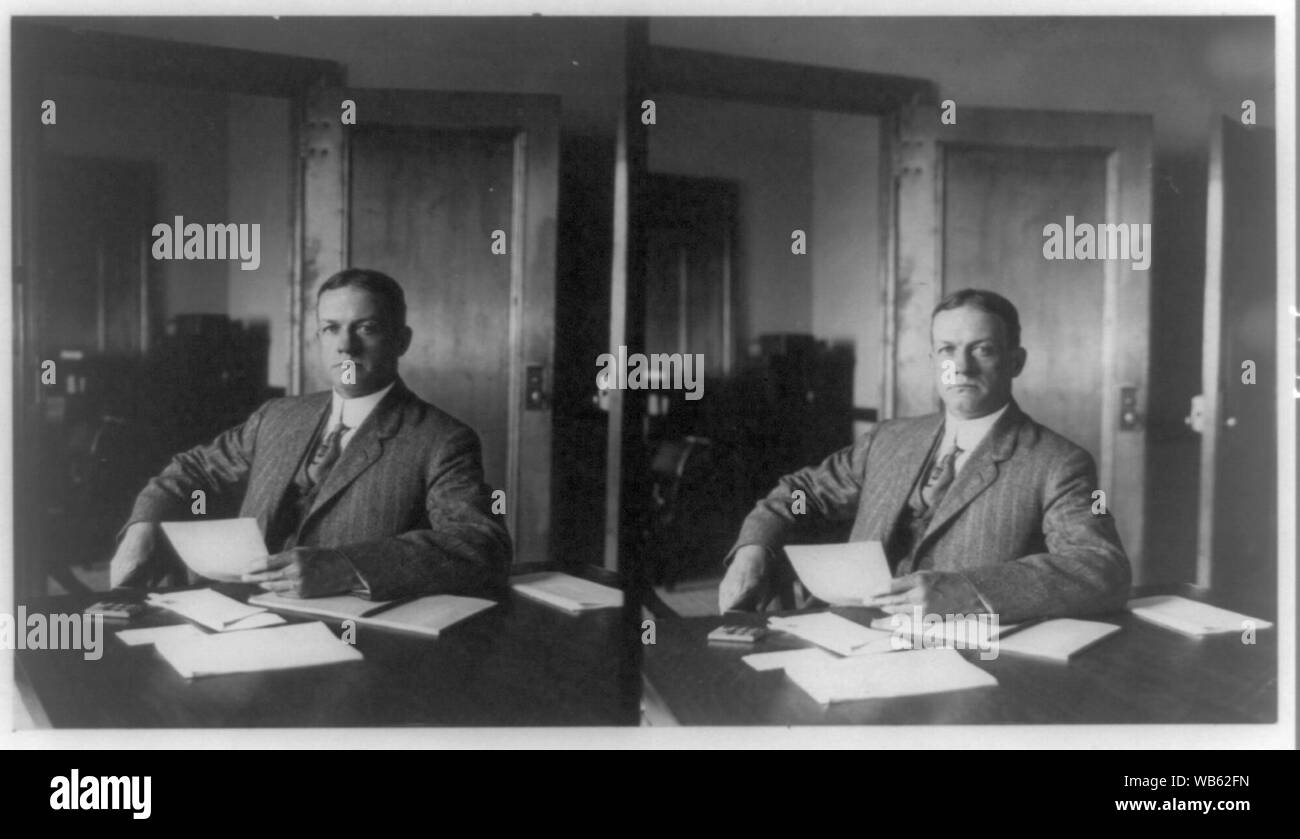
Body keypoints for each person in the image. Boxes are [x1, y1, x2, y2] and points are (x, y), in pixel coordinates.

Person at [718, 288, 1130, 623]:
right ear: (934, 361)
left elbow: (1100, 569)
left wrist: (967, 591)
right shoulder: (890, 438)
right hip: (845, 630)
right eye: (947, 350)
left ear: (1015, 361)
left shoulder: (1060, 462)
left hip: (961, 657)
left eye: (983, 349)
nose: (961, 367)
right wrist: (753, 549)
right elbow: (800, 491)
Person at [110, 268, 511, 600]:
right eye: (330, 329)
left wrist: (346, 567)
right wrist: (142, 527)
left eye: (366, 328)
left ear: (401, 341)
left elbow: (479, 544)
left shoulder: (442, 439)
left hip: (349, 640)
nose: (346, 347)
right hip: (233, 616)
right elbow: (193, 470)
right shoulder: (279, 416)